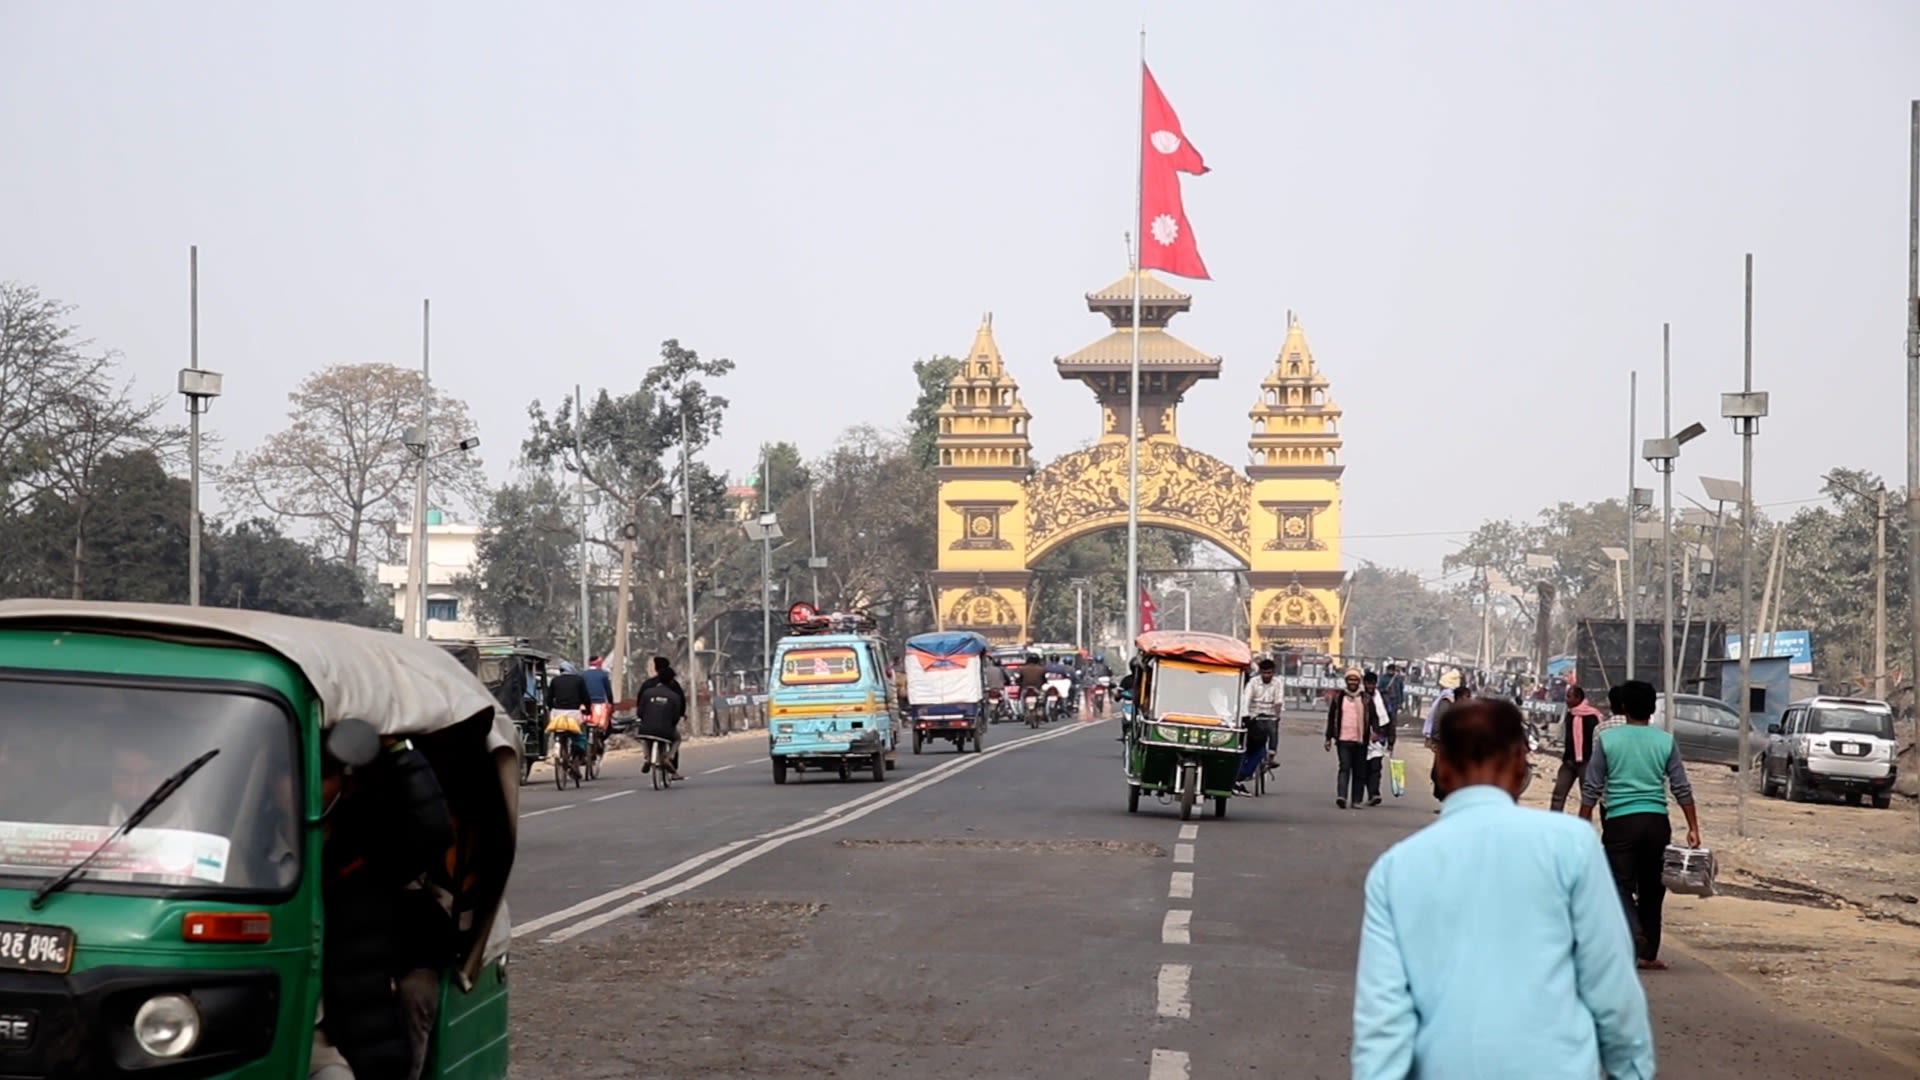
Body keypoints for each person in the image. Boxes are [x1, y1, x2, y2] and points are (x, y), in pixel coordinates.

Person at [1352, 697, 1653, 1080]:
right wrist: (1631, 1071)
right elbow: (1610, 982)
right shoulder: (1572, 846)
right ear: (1519, 767)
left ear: (1442, 769)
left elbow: (1383, 1017)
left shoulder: (1397, 869)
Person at [1580, 680, 1701, 971]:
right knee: (1652, 887)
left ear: (1623, 707)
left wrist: (1583, 821)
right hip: (1657, 822)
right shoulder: (1664, 741)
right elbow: (1681, 787)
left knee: (1618, 882)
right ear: (1651, 709)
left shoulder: (1608, 740)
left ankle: (1632, 925)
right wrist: (1693, 826)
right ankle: (1649, 953)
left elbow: (1592, 787)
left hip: (1621, 821)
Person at [1325, 668, 1387, 809]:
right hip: (1343, 739)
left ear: (1359, 682)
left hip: (1361, 740)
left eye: (1355, 680)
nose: (1352, 683)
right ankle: (1342, 796)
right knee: (1344, 767)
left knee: (1359, 771)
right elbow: (1332, 718)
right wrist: (1328, 737)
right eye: (1350, 680)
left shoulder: (1365, 699)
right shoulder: (1339, 698)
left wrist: (1376, 732)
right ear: (1346, 681)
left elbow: (1373, 717)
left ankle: (1356, 800)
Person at [1549, 685, 1603, 813]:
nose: (1566, 699)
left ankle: (1584, 823)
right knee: (1558, 793)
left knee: (1586, 798)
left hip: (1586, 762)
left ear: (1578, 698)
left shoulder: (1591, 716)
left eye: (1569, 696)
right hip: (1569, 761)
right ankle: (1554, 821)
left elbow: (1596, 740)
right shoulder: (1570, 715)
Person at [1236, 658, 1284, 794]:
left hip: (1269, 713)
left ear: (1273, 672)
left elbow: (1278, 701)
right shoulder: (1253, 682)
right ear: (1261, 672)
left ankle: (1271, 756)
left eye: (1269, 673)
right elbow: (1246, 699)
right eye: (1264, 673)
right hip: (1254, 714)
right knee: (1250, 737)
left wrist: (1277, 715)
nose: (1267, 676)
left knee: (1272, 728)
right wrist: (1245, 716)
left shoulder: (1278, 683)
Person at [637, 656, 688, 781]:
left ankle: (647, 757)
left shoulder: (647, 686)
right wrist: (678, 718)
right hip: (666, 727)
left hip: (647, 726)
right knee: (675, 738)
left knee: (644, 736)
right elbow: (680, 705)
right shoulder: (674, 688)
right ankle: (671, 764)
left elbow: (640, 708)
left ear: (655, 668)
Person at [1422, 683, 1472, 805]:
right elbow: (1439, 722)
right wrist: (1435, 740)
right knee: (1437, 774)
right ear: (1459, 698)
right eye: (1466, 697)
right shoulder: (1447, 706)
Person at [1362, 670, 1395, 806]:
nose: (1370, 686)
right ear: (1364, 684)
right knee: (1363, 769)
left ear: (1376, 684)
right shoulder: (1359, 698)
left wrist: (1391, 740)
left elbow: (1391, 720)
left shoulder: (1383, 700)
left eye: (1372, 684)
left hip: (1379, 738)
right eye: (1368, 684)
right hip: (1361, 738)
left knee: (1376, 767)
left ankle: (1374, 793)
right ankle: (1368, 792)